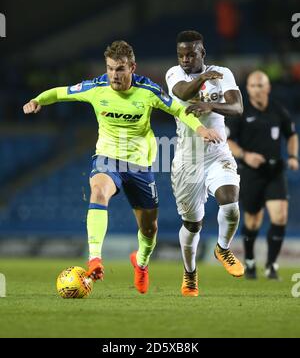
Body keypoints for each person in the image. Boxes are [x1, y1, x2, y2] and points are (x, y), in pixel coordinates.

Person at [23, 40, 222, 294]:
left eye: (120, 69)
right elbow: (61, 92)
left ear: (132, 67)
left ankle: (141, 263)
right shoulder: (96, 87)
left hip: (140, 165)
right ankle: (94, 259)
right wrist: (38, 100)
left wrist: (202, 129)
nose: (114, 75)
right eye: (110, 68)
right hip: (107, 157)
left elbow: (179, 110)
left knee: (149, 229)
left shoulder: (148, 90)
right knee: (98, 192)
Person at [165, 30, 244, 297]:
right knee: (193, 225)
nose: (185, 59)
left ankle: (223, 248)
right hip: (188, 160)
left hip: (217, 153)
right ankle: (190, 274)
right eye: (181, 55)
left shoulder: (222, 73)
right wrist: (201, 79)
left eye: (191, 54)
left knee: (230, 202)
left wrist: (213, 107)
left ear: (202, 53)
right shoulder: (174, 74)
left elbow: (237, 108)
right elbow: (184, 94)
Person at [226, 70, 299, 279]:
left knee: (280, 216)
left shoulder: (278, 110)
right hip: (250, 173)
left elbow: (291, 134)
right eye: (252, 86)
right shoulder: (240, 111)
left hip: (275, 171)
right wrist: (245, 155)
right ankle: (249, 260)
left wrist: (293, 156)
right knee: (253, 221)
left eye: (260, 85)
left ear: (268, 88)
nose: (256, 89)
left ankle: (271, 265)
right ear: (247, 89)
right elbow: (228, 141)